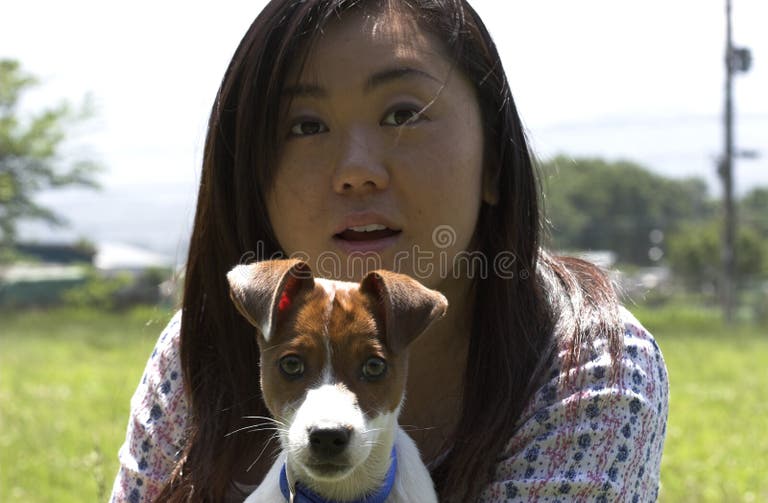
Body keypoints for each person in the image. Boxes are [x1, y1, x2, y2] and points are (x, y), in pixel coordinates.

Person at [110, 1, 669, 501]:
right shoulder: (198, 351)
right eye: (306, 125)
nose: (356, 171)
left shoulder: (592, 368)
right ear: (252, 177)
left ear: (492, 162)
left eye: (403, 115)